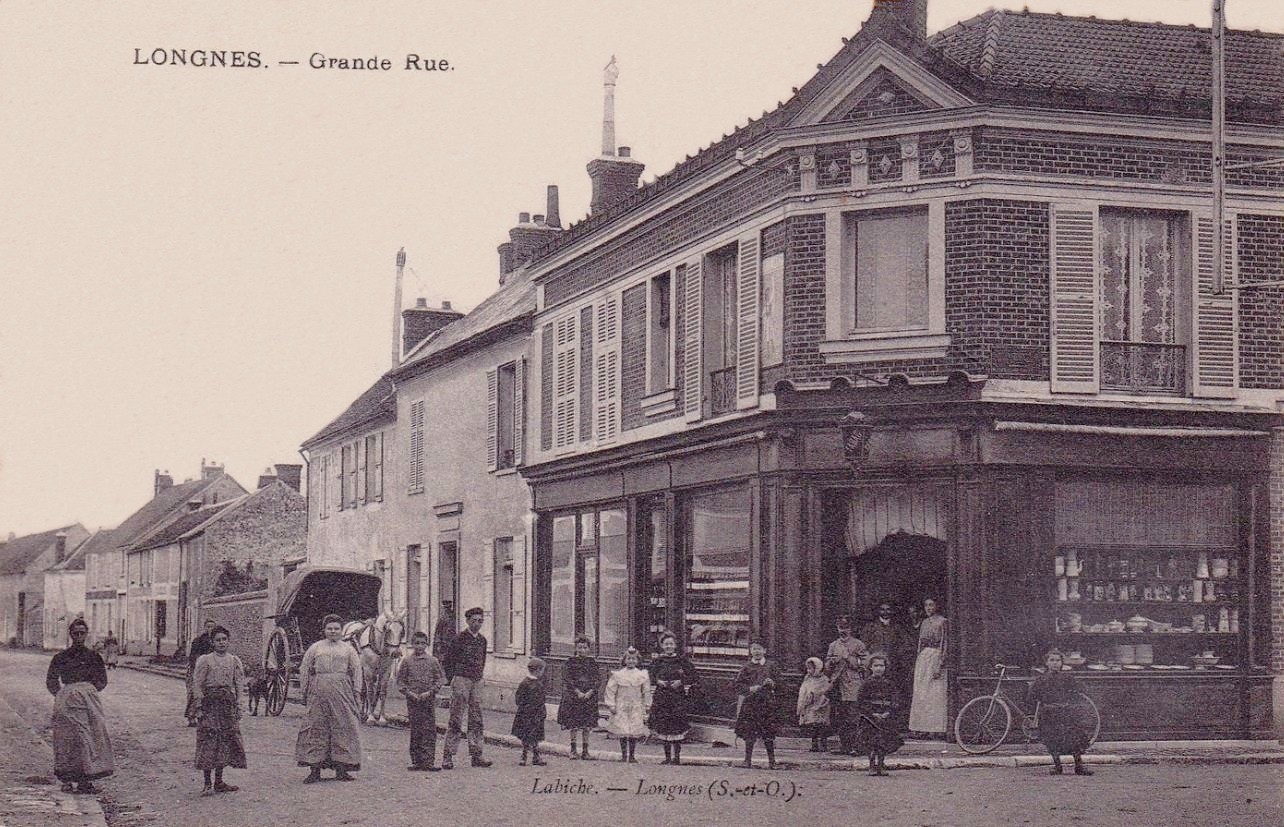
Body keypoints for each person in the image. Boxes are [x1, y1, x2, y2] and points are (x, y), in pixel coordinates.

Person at [46, 618, 114, 794]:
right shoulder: (60, 658)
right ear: (70, 635)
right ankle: (67, 779)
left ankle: (85, 780)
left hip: (88, 704)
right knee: (66, 740)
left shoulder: (93, 657)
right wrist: (62, 695)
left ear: (86, 634)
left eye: (82, 633)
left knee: (88, 739)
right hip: (66, 704)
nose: (78, 637)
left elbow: (102, 680)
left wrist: (88, 692)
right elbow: (51, 680)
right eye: (75, 633)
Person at [295, 613, 363, 783]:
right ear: (324, 630)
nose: (333, 631)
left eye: (336, 629)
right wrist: (304, 691)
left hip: (342, 691)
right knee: (316, 727)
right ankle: (314, 770)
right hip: (319, 691)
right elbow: (305, 669)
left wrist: (356, 692)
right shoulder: (316, 648)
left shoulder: (348, 649)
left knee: (343, 726)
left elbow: (356, 671)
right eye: (329, 628)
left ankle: (342, 769)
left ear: (341, 631)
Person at [192, 625, 247, 795]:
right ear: (212, 642)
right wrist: (199, 707)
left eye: (224, 639)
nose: (221, 643)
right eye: (218, 640)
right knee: (209, 741)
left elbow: (238, 685)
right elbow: (197, 684)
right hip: (210, 704)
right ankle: (207, 783)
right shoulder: (205, 660)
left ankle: (219, 781)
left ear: (228, 641)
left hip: (226, 705)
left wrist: (239, 705)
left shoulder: (234, 661)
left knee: (225, 741)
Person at [1028, 650, 1095, 776]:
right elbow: (1032, 697)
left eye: (1057, 660)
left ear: (1062, 663)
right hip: (1049, 714)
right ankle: (1057, 766)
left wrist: (1072, 705)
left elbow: (1079, 692)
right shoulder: (1041, 680)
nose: (1055, 663)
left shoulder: (1068, 678)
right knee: (1052, 740)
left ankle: (1079, 765)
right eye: (1052, 660)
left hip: (1066, 713)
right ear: (1046, 663)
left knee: (1074, 739)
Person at [442, 607, 493, 769]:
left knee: (477, 718)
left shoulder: (483, 640)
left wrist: (479, 676)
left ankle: (477, 754)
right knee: (456, 717)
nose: (477, 624)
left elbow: (482, 660)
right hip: (461, 680)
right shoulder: (459, 639)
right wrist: (453, 679)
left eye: (480, 621)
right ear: (467, 621)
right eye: (474, 621)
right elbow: (449, 660)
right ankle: (448, 755)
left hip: (476, 681)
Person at [396, 630, 446, 772]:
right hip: (413, 700)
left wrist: (430, 692)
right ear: (412, 644)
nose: (419, 646)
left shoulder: (433, 661)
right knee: (416, 729)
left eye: (423, 643)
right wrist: (409, 693)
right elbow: (401, 681)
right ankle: (416, 761)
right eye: (417, 643)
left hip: (428, 700)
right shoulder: (406, 661)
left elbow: (440, 679)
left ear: (427, 644)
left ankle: (428, 761)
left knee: (429, 730)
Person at [647, 632, 698, 765]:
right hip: (662, 697)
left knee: (676, 726)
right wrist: (658, 682)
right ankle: (667, 757)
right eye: (666, 644)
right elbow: (649, 676)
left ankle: (677, 757)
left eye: (671, 644)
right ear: (662, 646)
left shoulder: (682, 661)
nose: (668, 646)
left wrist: (681, 681)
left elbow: (694, 676)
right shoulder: (657, 661)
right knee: (664, 726)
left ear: (675, 645)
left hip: (677, 697)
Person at [733, 640, 781, 769]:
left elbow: (781, 684)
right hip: (751, 704)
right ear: (750, 651)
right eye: (754, 649)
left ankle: (772, 761)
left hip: (767, 703)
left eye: (759, 649)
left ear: (764, 651)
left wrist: (773, 683)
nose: (757, 651)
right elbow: (737, 685)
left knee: (768, 733)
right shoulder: (746, 667)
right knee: (750, 733)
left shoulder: (771, 666)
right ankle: (747, 760)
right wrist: (749, 689)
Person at [854, 654, 903, 776]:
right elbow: (861, 701)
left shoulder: (889, 684)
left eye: (882, 666)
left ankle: (881, 764)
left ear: (885, 667)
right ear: (870, 667)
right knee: (871, 741)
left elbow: (895, 700)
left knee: (883, 741)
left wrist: (889, 712)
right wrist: (872, 713)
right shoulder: (866, 684)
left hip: (885, 715)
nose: (879, 668)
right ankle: (871, 765)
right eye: (876, 666)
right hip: (870, 717)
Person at [825, 616, 868, 754]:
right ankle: (844, 746)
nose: (843, 630)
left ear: (851, 629)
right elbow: (827, 665)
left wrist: (848, 658)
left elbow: (866, 663)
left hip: (852, 683)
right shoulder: (833, 645)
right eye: (841, 627)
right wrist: (832, 662)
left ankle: (856, 746)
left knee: (853, 716)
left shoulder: (858, 644)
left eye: (846, 628)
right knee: (840, 716)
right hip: (837, 684)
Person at [908, 597, 949, 737]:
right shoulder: (924, 622)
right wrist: (917, 660)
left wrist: (940, 664)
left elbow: (945, 643)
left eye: (931, 605)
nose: (928, 608)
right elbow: (920, 643)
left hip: (936, 657)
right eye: (926, 605)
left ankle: (935, 729)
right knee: (921, 693)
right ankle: (921, 728)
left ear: (937, 606)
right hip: (924, 658)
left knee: (935, 694)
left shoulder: (943, 622)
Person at [557, 635, 600, 760]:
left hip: (589, 698)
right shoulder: (570, 662)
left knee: (587, 725)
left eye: (585, 647)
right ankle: (573, 750)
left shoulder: (593, 663)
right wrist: (577, 692)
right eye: (579, 647)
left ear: (589, 649)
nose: (582, 650)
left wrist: (590, 692)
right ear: (575, 648)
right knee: (574, 725)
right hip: (573, 698)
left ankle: (585, 751)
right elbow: (567, 679)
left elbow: (597, 680)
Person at [604, 647, 650, 763]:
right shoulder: (618, 675)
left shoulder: (641, 675)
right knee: (623, 731)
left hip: (636, 705)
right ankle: (624, 755)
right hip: (622, 706)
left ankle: (632, 755)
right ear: (624, 660)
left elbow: (646, 691)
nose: (631, 661)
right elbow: (610, 690)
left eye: (633, 659)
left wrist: (647, 705)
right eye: (629, 659)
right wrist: (611, 705)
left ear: (637, 661)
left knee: (633, 731)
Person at [513, 658, 549, 766]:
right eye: (542, 670)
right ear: (538, 670)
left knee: (535, 736)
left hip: (536, 715)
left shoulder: (539, 683)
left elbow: (542, 700)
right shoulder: (525, 683)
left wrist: (542, 711)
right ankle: (524, 756)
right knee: (526, 736)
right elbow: (518, 699)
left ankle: (535, 757)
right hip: (526, 715)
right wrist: (525, 708)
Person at [185, 619, 217, 726]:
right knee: (194, 693)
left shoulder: (215, 642)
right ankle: (191, 716)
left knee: (208, 693)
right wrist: (196, 670)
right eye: (208, 626)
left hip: (210, 670)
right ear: (204, 628)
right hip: (196, 669)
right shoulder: (198, 640)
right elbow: (193, 657)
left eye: (212, 627)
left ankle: (203, 716)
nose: (210, 629)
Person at [796, 656, 831, 753]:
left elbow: (826, 690)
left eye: (811, 668)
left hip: (821, 705)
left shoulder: (824, 679)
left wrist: (816, 695)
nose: (808, 671)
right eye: (807, 668)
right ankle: (814, 744)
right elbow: (804, 689)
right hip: (810, 706)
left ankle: (823, 744)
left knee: (821, 725)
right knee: (813, 726)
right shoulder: (808, 678)